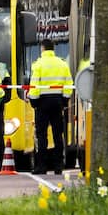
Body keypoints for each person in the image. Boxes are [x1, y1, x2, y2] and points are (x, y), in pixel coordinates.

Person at [29, 39, 72, 174]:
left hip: (42, 102)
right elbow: (69, 84)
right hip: (57, 101)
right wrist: (64, 100)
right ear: (53, 49)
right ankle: (58, 166)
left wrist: (34, 102)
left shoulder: (38, 64)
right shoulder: (62, 64)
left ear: (42, 48)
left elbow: (34, 85)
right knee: (58, 134)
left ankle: (41, 166)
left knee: (41, 135)